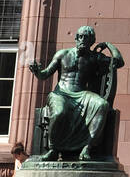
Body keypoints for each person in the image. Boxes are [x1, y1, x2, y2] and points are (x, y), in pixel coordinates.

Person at [28, 25, 123, 162]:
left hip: (82, 94)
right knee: (59, 112)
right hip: (61, 93)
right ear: (76, 38)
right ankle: (53, 148)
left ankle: (87, 147)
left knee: (102, 104)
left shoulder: (95, 57)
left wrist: (108, 45)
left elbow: (119, 62)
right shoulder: (62, 54)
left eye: (87, 38)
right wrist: (37, 71)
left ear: (92, 41)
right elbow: (44, 75)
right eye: (81, 37)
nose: (83, 40)